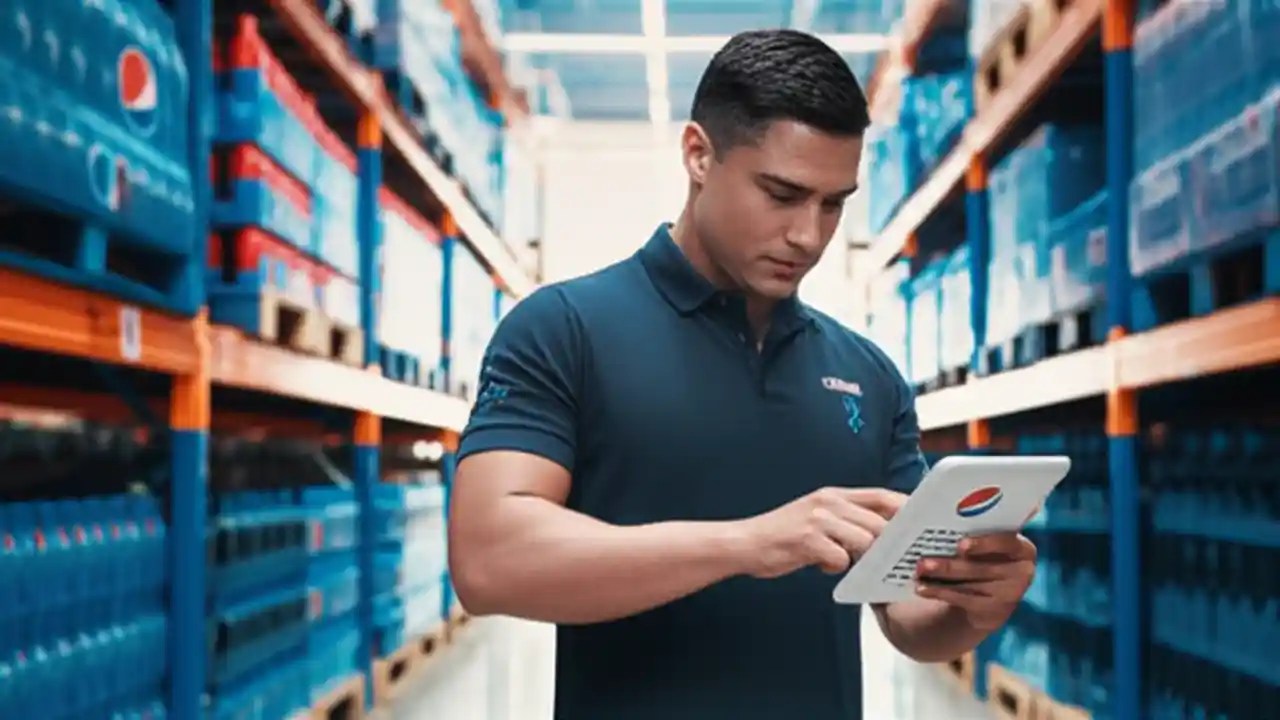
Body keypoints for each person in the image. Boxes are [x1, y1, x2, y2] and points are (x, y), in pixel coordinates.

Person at [447, 28, 1037, 720]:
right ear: (699, 154)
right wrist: (748, 544)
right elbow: (488, 562)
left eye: (833, 203)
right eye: (782, 194)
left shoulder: (868, 376)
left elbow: (907, 614)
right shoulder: (564, 329)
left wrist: (972, 607)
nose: (808, 235)